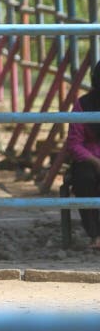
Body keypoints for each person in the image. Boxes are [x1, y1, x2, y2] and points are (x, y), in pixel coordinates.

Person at [65, 60, 100, 250]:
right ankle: (95, 235)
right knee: (84, 178)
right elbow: (74, 142)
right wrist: (95, 161)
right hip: (88, 158)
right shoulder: (84, 104)